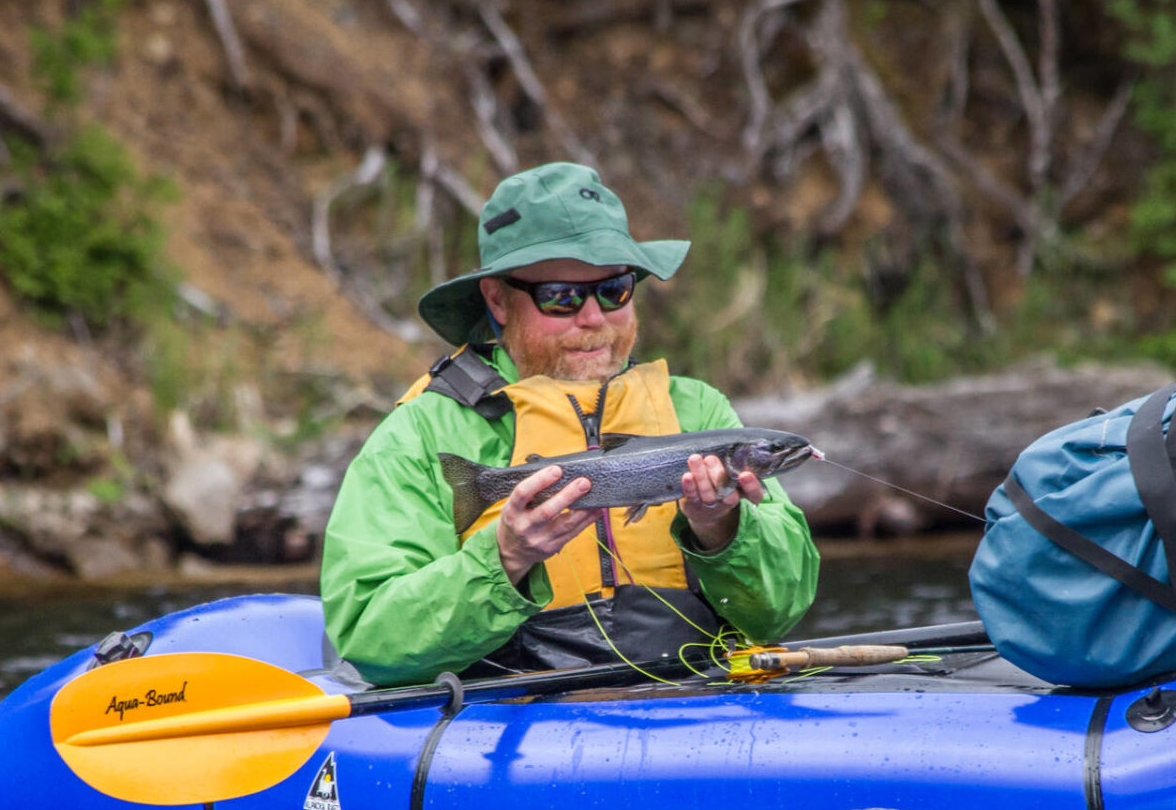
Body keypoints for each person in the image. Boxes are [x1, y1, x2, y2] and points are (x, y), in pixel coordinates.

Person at [320, 162, 819, 685]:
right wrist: (505, 557)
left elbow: (780, 612)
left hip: (693, 711)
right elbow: (372, 641)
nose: (593, 318)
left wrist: (722, 530)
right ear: (498, 300)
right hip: (508, 731)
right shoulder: (421, 434)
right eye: (560, 297)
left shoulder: (700, 411)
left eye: (614, 291)